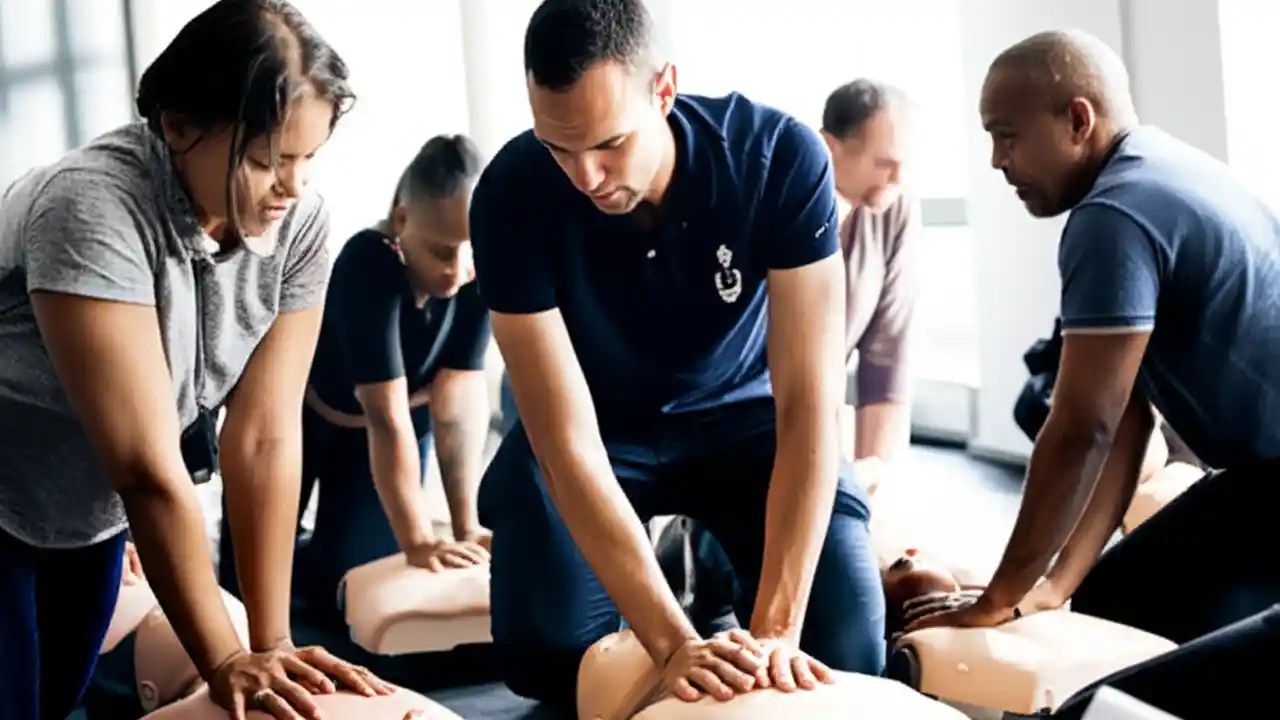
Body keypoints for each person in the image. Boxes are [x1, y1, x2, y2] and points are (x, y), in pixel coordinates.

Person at [470, 0, 885, 708]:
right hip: (601, 431)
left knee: (845, 647)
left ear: (662, 88)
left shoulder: (777, 158)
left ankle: (722, 558)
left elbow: (811, 407)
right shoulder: (511, 193)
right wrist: (673, 644)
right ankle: (677, 582)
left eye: (608, 143)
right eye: (559, 148)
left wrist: (777, 634)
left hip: (744, 421)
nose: (586, 176)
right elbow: (565, 445)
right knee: (545, 656)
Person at [0, 2, 395, 718]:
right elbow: (148, 467)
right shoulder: (91, 207)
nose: (294, 187)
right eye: (266, 160)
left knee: (56, 702)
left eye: (309, 159)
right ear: (178, 126)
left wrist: (269, 642)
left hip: (84, 508)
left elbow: (267, 434)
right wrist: (223, 658)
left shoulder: (299, 222)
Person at [906, 29, 1280, 718]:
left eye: (1007, 135)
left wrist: (999, 598)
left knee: (1104, 702)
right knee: (1109, 599)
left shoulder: (1113, 214)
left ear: (1079, 120)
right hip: (1256, 484)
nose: (996, 160)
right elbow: (1126, 421)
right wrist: (1050, 586)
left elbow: (1080, 428)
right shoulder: (1157, 169)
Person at [266, 134, 492, 619]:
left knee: (348, 579)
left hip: (398, 431)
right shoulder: (366, 262)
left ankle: (324, 549)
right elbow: (385, 414)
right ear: (402, 219)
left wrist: (465, 527)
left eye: (469, 252)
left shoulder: (480, 271)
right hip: (310, 420)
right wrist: (416, 540)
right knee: (260, 575)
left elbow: (456, 408)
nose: (456, 270)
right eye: (440, 252)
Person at [820, 79, 921, 462]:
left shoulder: (895, 208)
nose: (897, 180)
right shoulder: (779, 205)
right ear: (830, 148)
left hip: (820, 413)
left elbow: (888, 353)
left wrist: (870, 479)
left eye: (904, 165)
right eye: (884, 164)